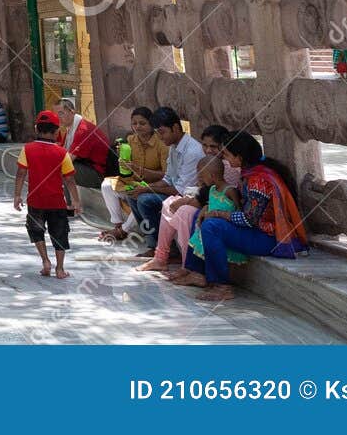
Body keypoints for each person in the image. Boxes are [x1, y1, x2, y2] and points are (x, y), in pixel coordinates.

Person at [172, 131, 308, 302]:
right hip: (254, 231)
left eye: (227, 154)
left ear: (240, 156)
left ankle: (222, 286)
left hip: (268, 238)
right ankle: (197, 272)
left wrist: (217, 213)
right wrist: (209, 208)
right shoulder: (249, 172)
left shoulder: (259, 180)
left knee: (211, 226)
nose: (225, 159)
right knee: (201, 215)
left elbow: (249, 219)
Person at [137, 123, 232, 273]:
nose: (208, 150)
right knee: (169, 203)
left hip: (217, 208)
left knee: (185, 212)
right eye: (205, 145)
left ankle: (187, 265)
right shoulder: (206, 161)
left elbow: (215, 196)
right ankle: (160, 257)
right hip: (204, 202)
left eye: (213, 147)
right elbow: (204, 190)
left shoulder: (226, 165)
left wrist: (187, 200)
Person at [126, 106, 205, 252]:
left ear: (175, 128)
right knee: (134, 196)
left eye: (162, 132)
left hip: (189, 197)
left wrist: (148, 189)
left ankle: (164, 249)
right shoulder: (174, 147)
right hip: (175, 192)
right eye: (157, 133)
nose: (160, 137)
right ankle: (153, 244)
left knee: (145, 200)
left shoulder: (192, 151)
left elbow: (180, 190)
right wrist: (143, 187)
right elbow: (168, 179)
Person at [15, 110, 79, 279]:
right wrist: (76, 202)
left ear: (37, 128)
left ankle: (45, 261)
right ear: (57, 131)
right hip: (57, 202)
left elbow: (21, 173)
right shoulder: (61, 153)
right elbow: (70, 179)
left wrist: (17, 195)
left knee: (36, 230)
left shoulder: (27, 149)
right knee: (59, 233)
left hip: (35, 200)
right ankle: (60, 269)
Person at [97, 106, 167, 241]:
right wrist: (122, 159)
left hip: (154, 186)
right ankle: (117, 225)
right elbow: (126, 170)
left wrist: (138, 170)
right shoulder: (130, 140)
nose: (138, 127)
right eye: (134, 123)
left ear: (152, 124)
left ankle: (124, 230)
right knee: (106, 185)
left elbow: (165, 175)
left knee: (140, 197)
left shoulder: (161, 143)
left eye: (142, 123)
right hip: (132, 182)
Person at [55, 97, 112, 185]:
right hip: (87, 166)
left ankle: (70, 199)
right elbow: (62, 151)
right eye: (56, 114)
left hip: (100, 173)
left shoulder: (82, 130)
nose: (58, 117)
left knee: (63, 169)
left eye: (61, 113)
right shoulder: (71, 128)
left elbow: (68, 159)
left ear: (72, 112)